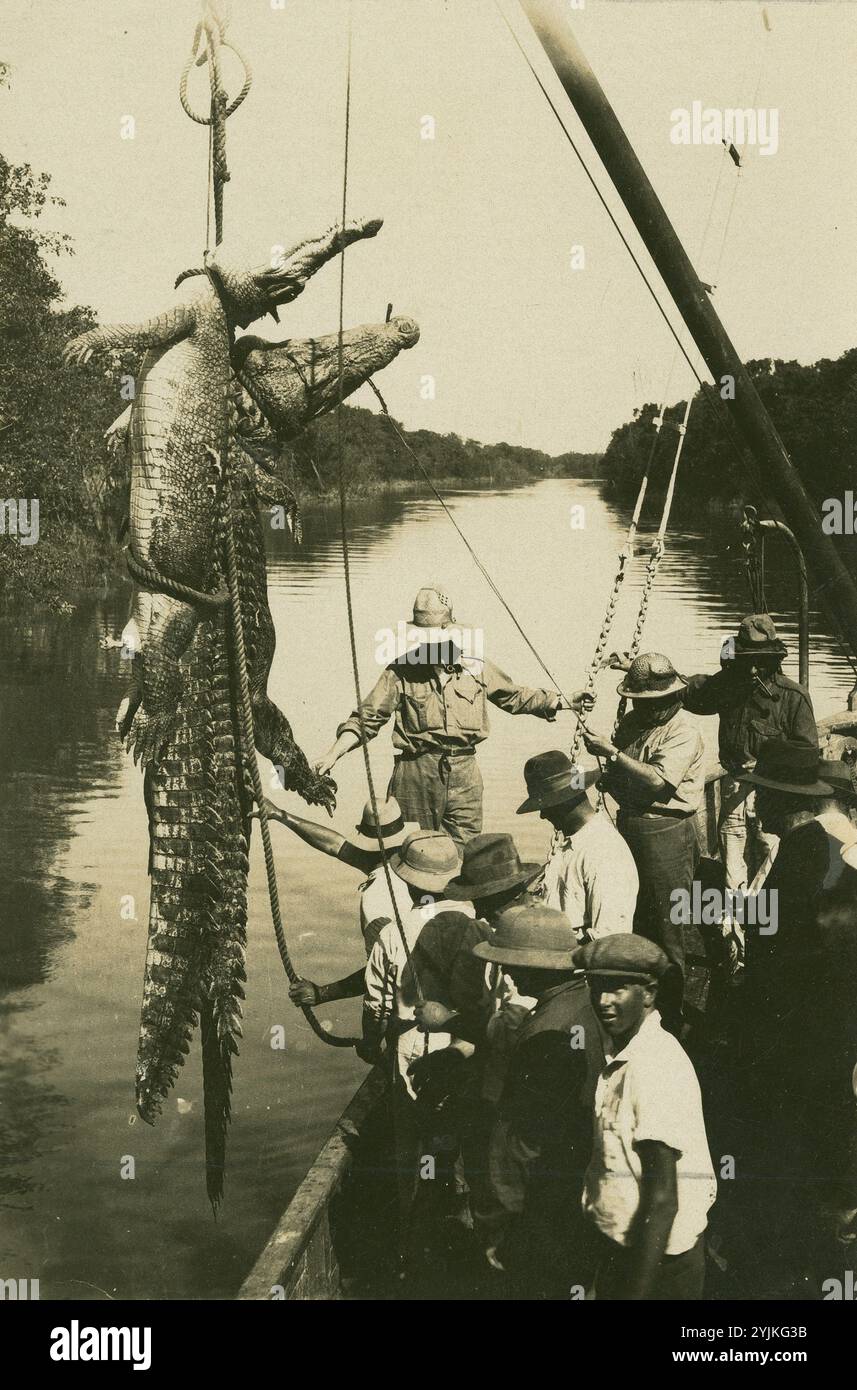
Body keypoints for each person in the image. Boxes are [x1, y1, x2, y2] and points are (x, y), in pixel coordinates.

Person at [315, 584, 588, 851]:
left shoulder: (476, 666)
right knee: (409, 850)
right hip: (415, 774)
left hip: (465, 775)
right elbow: (367, 718)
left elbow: (514, 696)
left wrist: (562, 701)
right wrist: (332, 755)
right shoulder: (400, 671)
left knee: (465, 854)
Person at [470, 903, 605, 1298]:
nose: (507, 973)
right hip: (583, 1174)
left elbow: (520, 1143)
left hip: (546, 1197)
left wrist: (499, 1221)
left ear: (536, 967)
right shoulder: (589, 1002)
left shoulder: (543, 1032)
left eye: (512, 963)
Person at [358, 829, 483, 1250]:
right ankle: (465, 1228)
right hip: (466, 1045)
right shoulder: (477, 925)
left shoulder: (392, 934)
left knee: (413, 1149)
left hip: (413, 1050)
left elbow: (375, 1006)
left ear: (409, 881)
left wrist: (370, 1042)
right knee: (461, 1139)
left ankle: (413, 1238)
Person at [576, 933, 716, 1300]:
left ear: (649, 993)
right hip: (627, 1252)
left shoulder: (652, 1066)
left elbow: (663, 1199)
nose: (604, 1001)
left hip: (657, 1268)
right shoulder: (626, 1054)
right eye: (597, 987)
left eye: (617, 989)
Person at [582, 653, 705, 1033]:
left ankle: (676, 1013)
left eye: (649, 701)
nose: (641, 707)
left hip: (666, 833)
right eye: (638, 701)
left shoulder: (684, 730)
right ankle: (638, 1006)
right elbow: (623, 774)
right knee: (633, 918)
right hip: (630, 825)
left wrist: (612, 754)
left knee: (671, 926)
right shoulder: (635, 722)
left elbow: (657, 782)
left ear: (669, 698)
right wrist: (607, 771)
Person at [675, 615, 817, 892]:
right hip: (733, 785)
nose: (753, 668)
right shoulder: (728, 685)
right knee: (732, 856)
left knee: (771, 856)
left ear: (774, 659)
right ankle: (736, 925)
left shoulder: (793, 697)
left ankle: (770, 923)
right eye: (747, 659)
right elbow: (690, 691)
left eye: (760, 661)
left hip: (775, 792)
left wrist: (769, 772)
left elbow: (808, 754)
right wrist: (646, 676)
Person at [254, 794, 419, 1009]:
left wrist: (322, 994)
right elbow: (334, 844)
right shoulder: (413, 868)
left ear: (366, 843)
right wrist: (281, 815)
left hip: (400, 1009)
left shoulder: (377, 896)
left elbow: (385, 965)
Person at [516, 749, 638, 941]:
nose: (543, 815)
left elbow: (609, 939)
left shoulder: (605, 852)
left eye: (545, 806)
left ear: (563, 802)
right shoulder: (573, 843)